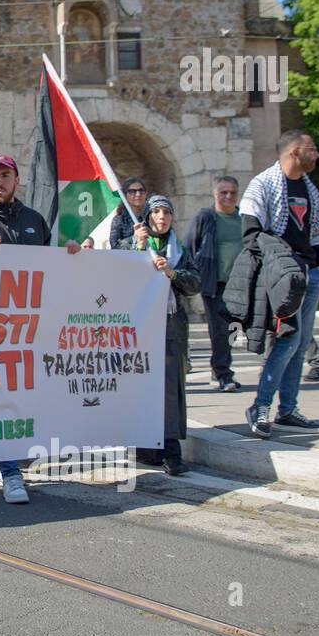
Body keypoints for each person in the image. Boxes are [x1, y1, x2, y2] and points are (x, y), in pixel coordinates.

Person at [0, 154, 81, 503]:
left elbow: (48, 270)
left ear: (16, 180)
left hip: (30, 329)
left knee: (21, 398)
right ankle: (11, 472)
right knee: (1, 396)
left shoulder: (34, 220)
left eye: (5, 175)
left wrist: (70, 255)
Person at [238, 130, 319, 439]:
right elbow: (251, 235)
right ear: (294, 152)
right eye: (311, 149)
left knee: (301, 343)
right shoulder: (262, 185)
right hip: (283, 275)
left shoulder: (309, 189)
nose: (316, 154)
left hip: (310, 273)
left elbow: (316, 235)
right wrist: (283, 264)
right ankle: (260, 407)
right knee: (288, 339)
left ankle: (287, 410)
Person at [123, 196, 201, 474]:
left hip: (170, 326)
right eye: (155, 211)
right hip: (139, 327)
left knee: (169, 389)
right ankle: (145, 448)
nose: (161, 217)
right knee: (141, 386)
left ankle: (171, 451)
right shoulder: (133, 245)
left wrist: (172, 273)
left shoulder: (179, 250)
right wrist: (138, 248)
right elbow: (118, 277)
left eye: (166, 212)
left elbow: (194, 283)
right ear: (146, 216)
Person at [184, 175, 244, 391]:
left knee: (232, 330)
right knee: (219, 329)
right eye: (223, 192)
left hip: (239, 285)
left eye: (232, 192)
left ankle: (220, 369)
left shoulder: (243, 218)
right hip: (214, 283)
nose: (228, 196)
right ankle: (222, 374)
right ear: (214, 193)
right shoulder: (206, 217)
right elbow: (189, 246)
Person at [108, 177, 147, 249]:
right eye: (132, 191)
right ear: (125, 195)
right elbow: (115, 247)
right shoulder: (118, 220)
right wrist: (134, 238)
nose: (138, 194)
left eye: (141, 190)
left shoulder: (152, 216)